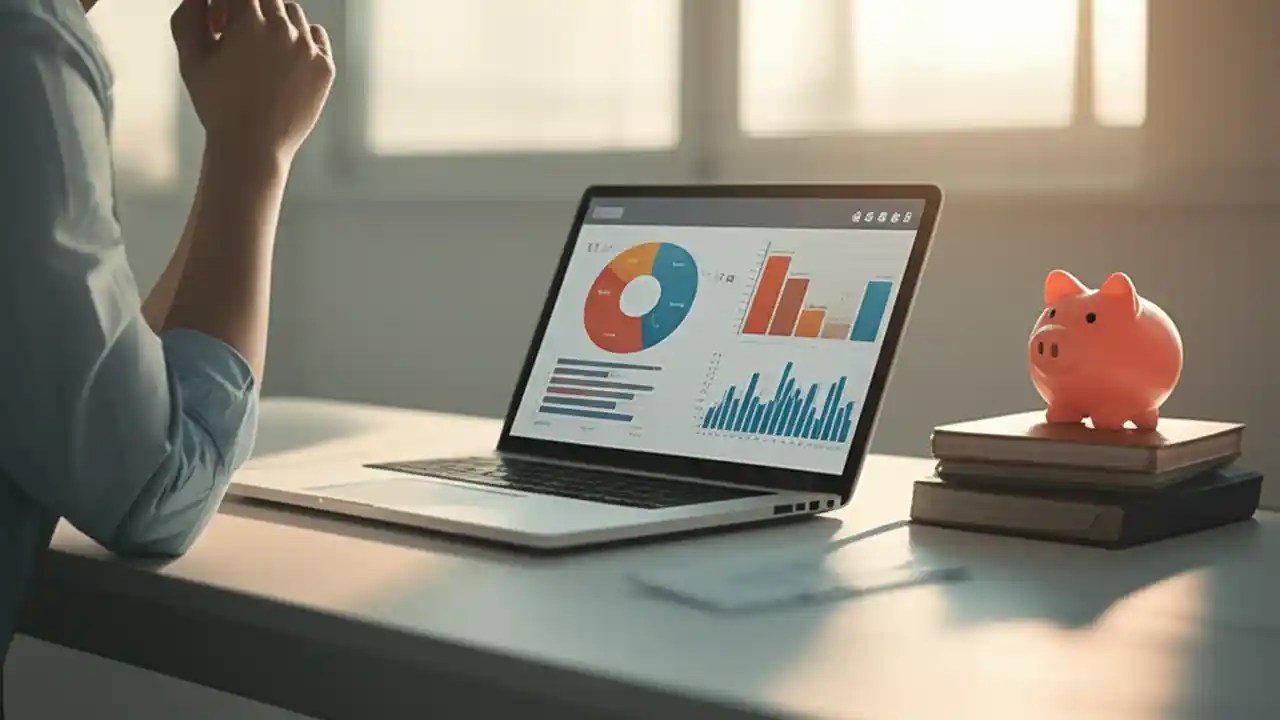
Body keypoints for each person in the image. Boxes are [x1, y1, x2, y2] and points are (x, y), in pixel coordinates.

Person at [0, 0, 335, 712]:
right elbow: (154, 490)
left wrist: (234, 147)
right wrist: (253, 159)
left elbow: (92, 392)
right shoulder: (24, 42)